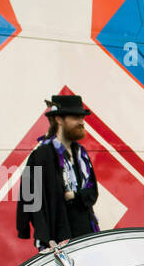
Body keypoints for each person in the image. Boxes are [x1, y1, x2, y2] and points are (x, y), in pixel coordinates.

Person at [16, 93, 98, 249]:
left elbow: (93, 191)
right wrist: (43, 236)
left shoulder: (80, 154)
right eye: (75, 118)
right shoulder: (42, 154)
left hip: (86, 233)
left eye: (82, 118)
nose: (81, 122)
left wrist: (75, 195)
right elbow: (29, 195)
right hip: (58, 236)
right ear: (59, 120)